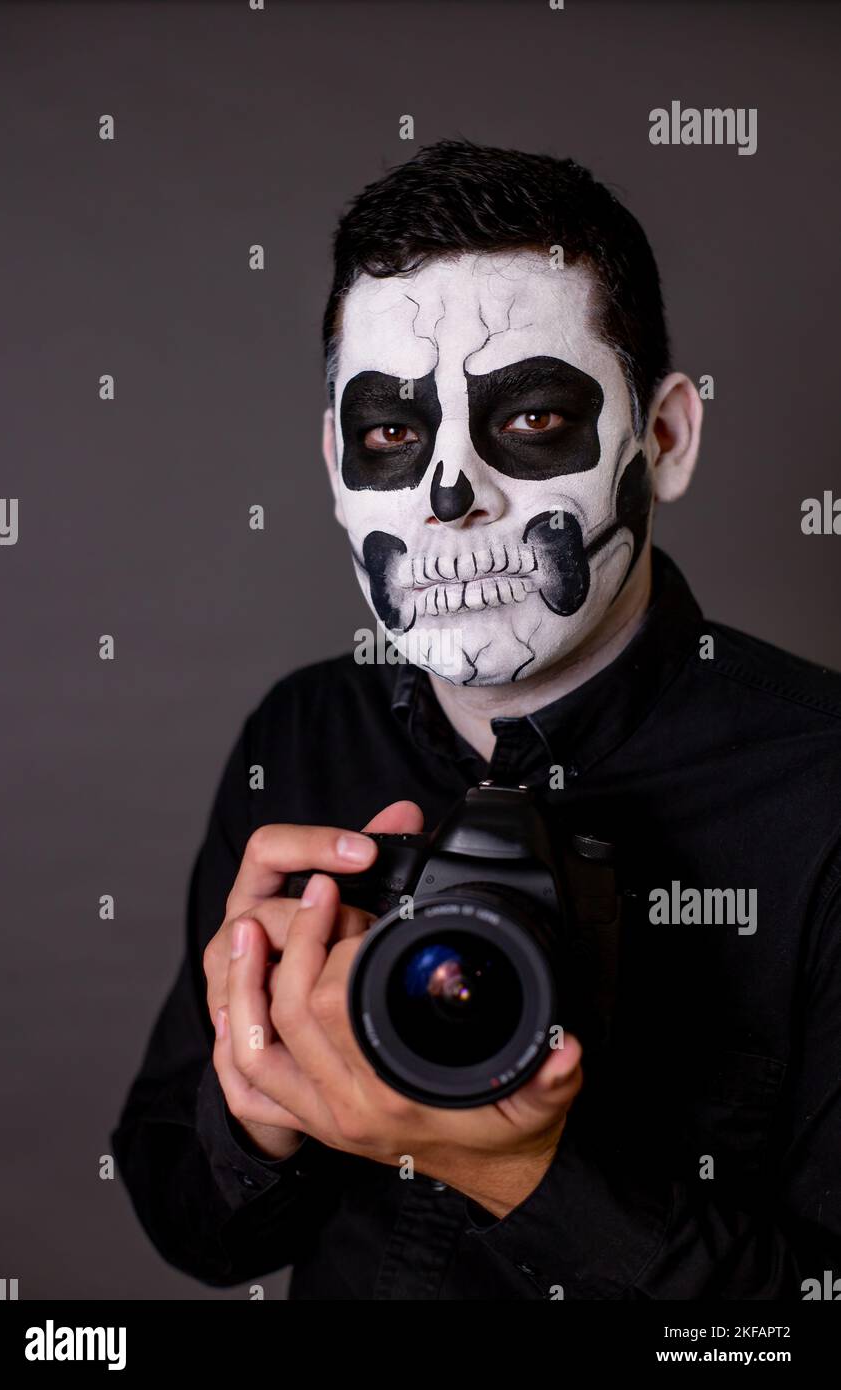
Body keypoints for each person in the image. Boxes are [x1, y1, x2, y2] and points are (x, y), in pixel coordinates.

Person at [113, 140, 841, 1300]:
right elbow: (189, 1222)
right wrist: (251, 1109)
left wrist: (522, 1177)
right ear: (333, 464)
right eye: (393, 435)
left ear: (663, 440)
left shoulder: (820, 792)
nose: (452, 496)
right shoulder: (301, 735)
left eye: (532, 416)